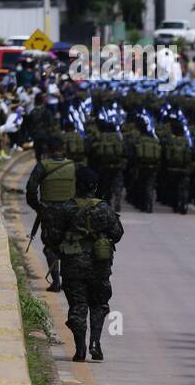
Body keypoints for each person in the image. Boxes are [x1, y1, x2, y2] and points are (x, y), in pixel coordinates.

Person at [56, 167, 124, 362]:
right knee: (98, 304)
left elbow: (53, 235)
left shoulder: (67, 208)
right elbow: (117, 234)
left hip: (72, 265)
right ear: (95, 187)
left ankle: (80, 349)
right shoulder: (104, 208)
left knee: (77, 306)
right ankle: (95, 343)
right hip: (99, 266)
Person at [26, 135, 78, 291]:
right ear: (63, 148)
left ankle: (56, 282)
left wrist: (37, 207)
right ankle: (69, 281)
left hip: (49, 212)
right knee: (70, 245)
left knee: (50, 247)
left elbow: (31, 189)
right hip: (70, 211)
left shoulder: (43, 166)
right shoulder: (73, 166)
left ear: (48, 149)